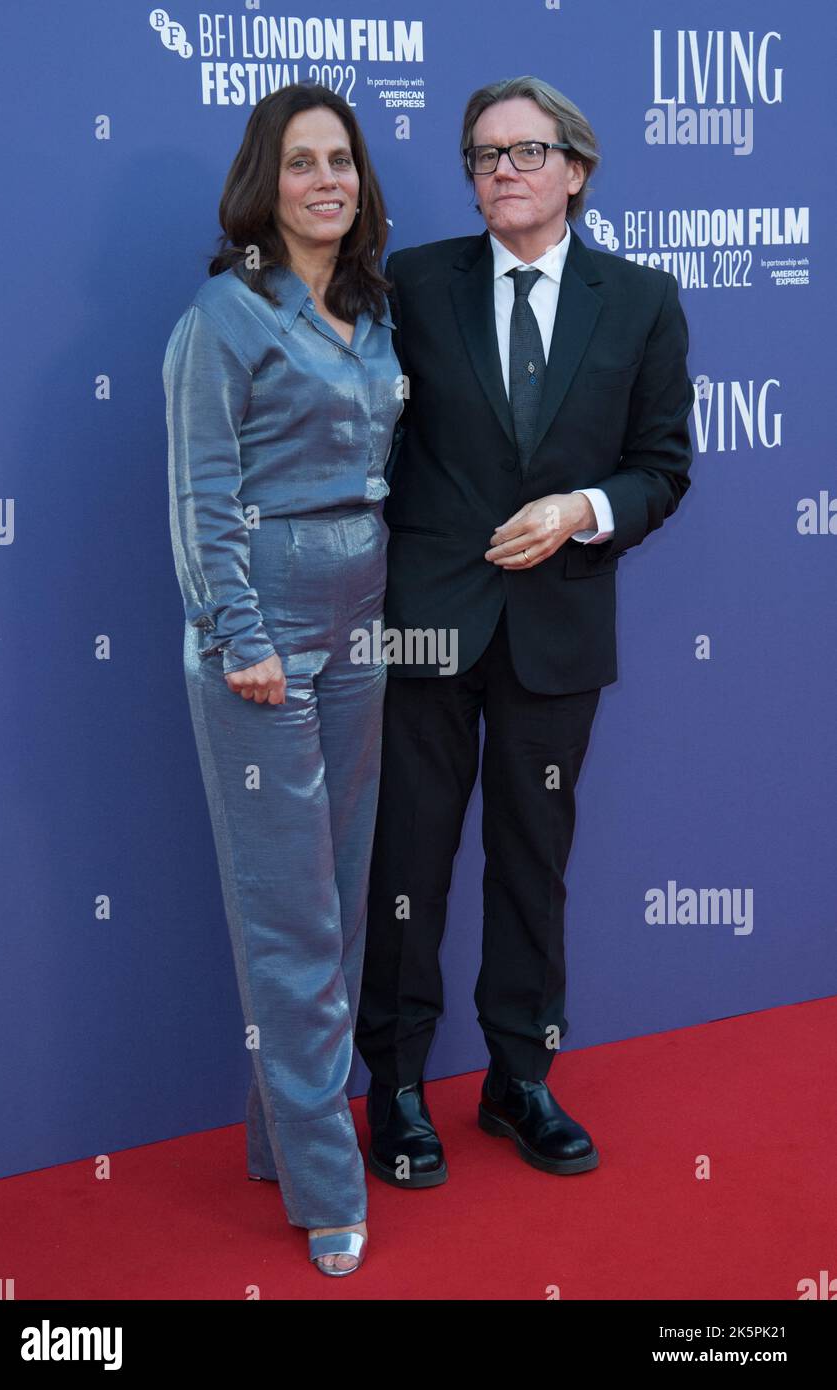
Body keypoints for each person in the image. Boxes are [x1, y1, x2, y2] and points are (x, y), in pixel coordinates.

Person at [355, 75, 695, 1185]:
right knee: (407, 859)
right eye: (482, 153)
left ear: (576, 170)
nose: (501, 168)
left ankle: (519, 1080)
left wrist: (578, 511)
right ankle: (396, 1088)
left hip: (555, 628)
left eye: (526, 150)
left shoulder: (640, 300)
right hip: (422, 626)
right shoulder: (409, 282)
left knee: (531, 862)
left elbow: (659, 469)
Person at [163, 82, 402, 1274]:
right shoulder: (225, 315)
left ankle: (277, 1135)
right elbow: (201, 497)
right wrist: (238, 633)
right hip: (262, 635)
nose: (326, 180)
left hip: (363, 625)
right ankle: (325, 1185)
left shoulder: (370, 309)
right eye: (303, 161)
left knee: (343, 897)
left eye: (342, 161)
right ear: (265, 182)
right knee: (292, 918)